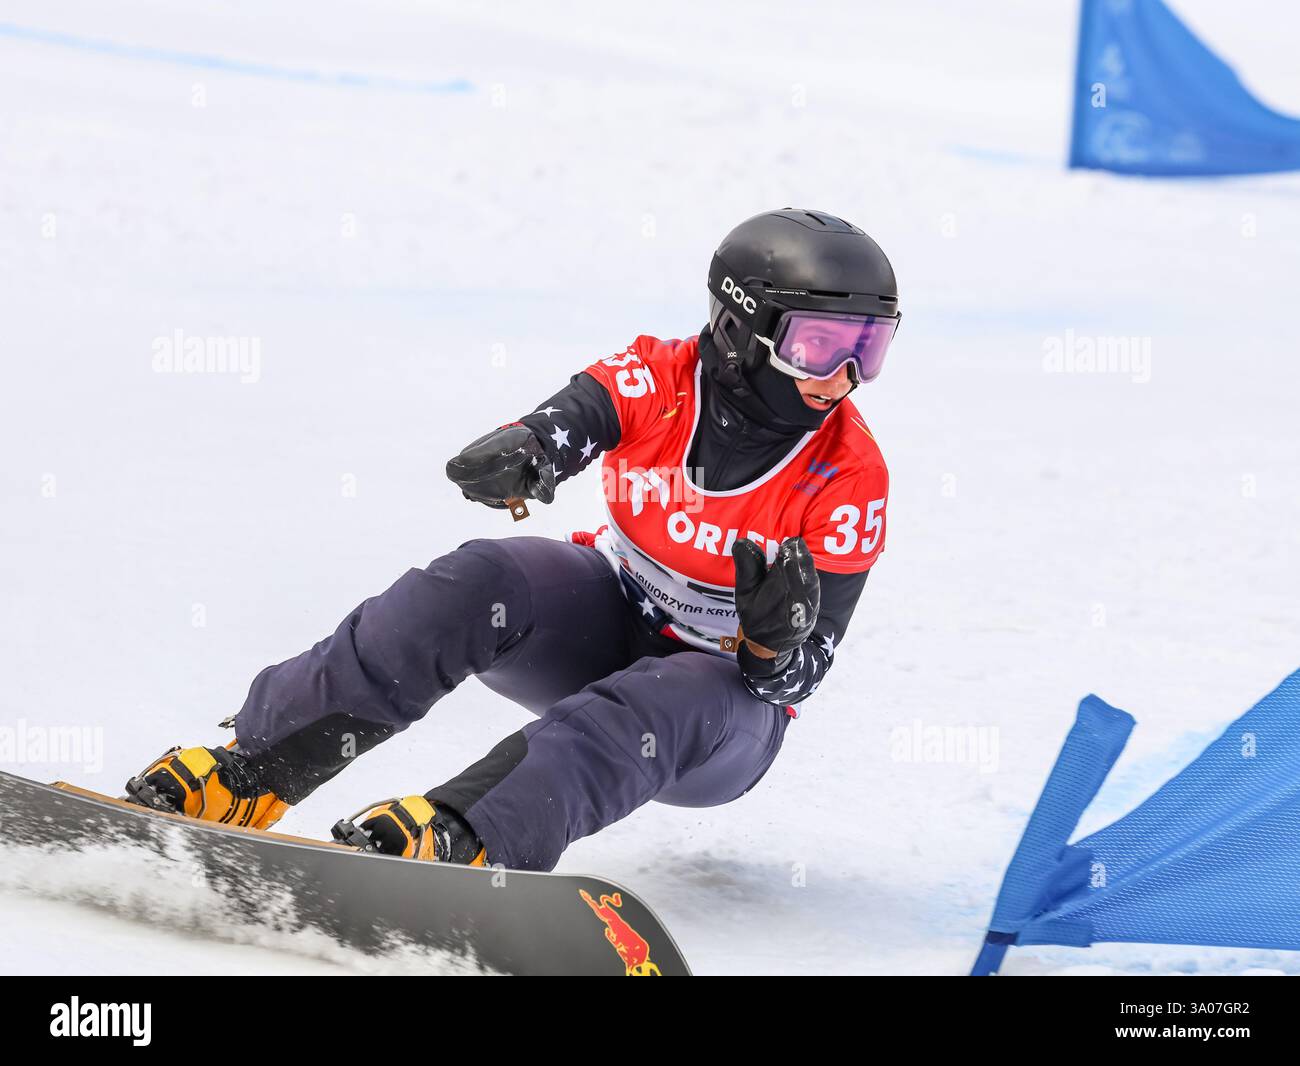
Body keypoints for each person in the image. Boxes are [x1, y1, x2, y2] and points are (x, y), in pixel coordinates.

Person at [126, 208, 900, 872]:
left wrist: (772, 647)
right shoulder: (661, 379)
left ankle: (467, 839)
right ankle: (251, 773)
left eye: (869, 348)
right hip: (608, 625)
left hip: (720, 716)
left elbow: (798, 680)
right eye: (820, 343)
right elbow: (576, 417)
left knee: (665, 693)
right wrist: (530, 450)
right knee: (483, 577)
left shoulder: (849, 475)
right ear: (738, 326)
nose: (843, 376)